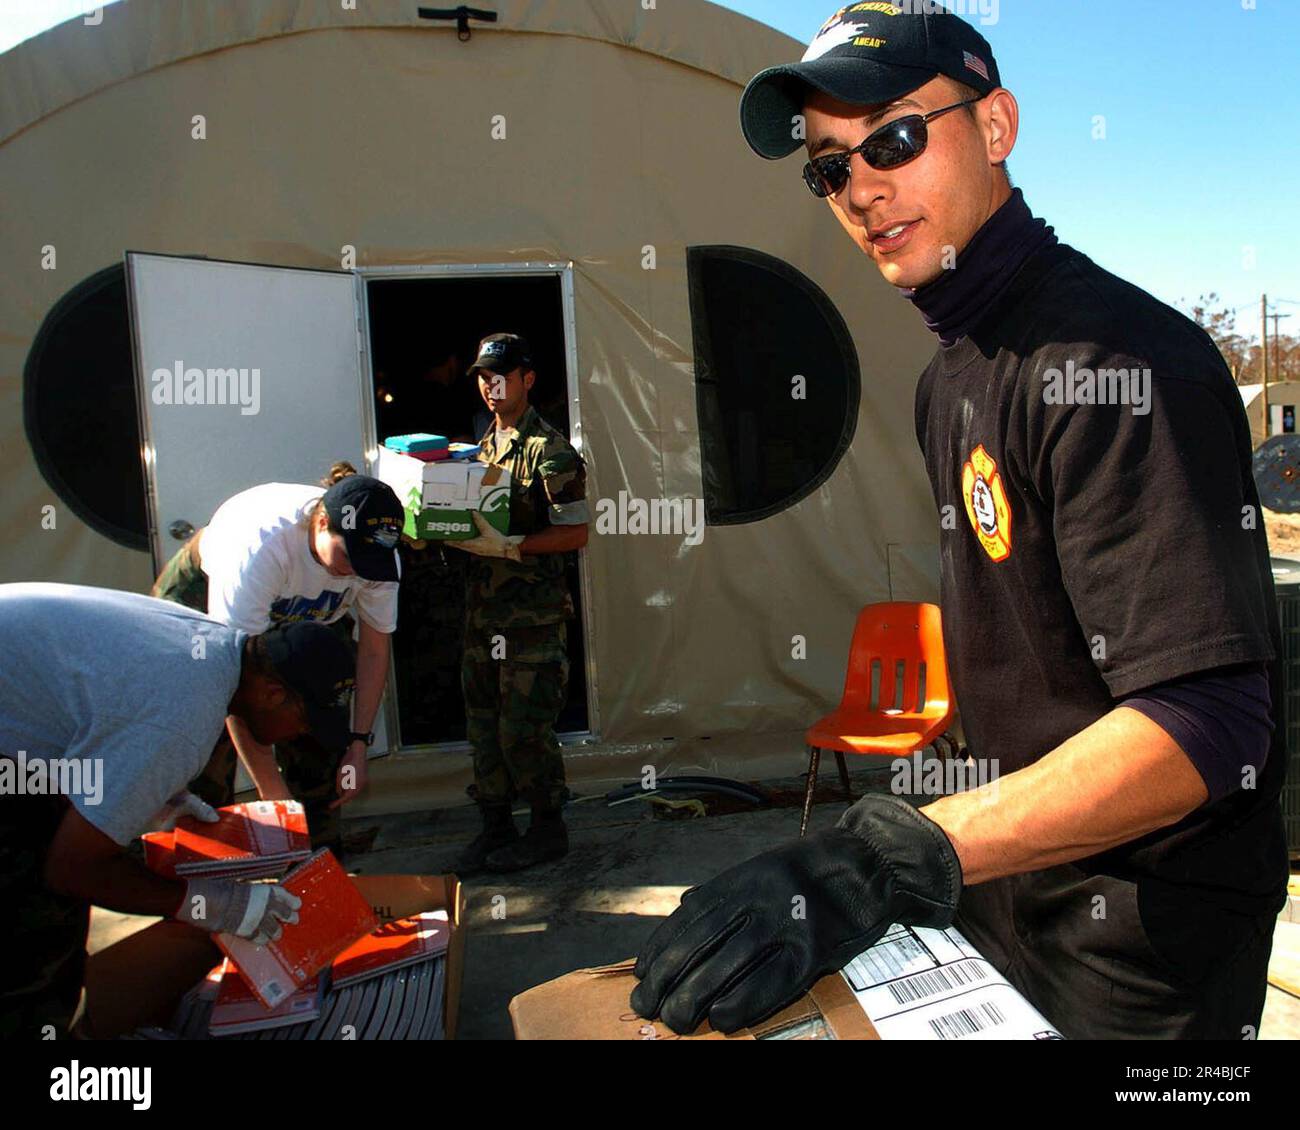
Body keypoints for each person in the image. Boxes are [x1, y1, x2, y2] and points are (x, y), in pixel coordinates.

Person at [632, 4, 1288, 1040]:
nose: (861, 188)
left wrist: (890, 852)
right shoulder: (951, 377)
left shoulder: (1110, 366)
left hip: (1141, 951)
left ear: (996, 126)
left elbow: (1204, 726)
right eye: (828, 167)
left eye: (892, 138)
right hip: (1002, 901)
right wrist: (926, 833)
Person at [0, 583, 356, 1039]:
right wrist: (213, 907)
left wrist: (154, 792)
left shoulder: (214, 644)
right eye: (304, 721)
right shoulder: (181, 722)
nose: (297, 736)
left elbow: (99, 707)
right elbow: (72, 869)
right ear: (271, 693)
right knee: (38, 935)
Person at [152, 463, 403, 853]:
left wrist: (358, 743)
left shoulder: (376, 560)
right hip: (205, 604)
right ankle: (204, 860)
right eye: (351, 555)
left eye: (367, 563)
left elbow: (373, 649)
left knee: (319, 711)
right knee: (205, 734)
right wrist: (273, 795)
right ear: (321, 523)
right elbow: (234, 680)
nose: (356, 570)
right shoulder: (259, 549)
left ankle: (316, 852)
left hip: (302, 619)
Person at [447, 333, 589, 872]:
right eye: (483, 376)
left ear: (528, 379)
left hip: (532, 620)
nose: (490, 385)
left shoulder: (550, 452)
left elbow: (576, 535)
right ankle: (496, 827)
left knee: (523, 731)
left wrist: (511, 546)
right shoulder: (480, 447)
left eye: (501, 375)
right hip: (484, 617)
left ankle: (548, 829)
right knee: (483, 725)